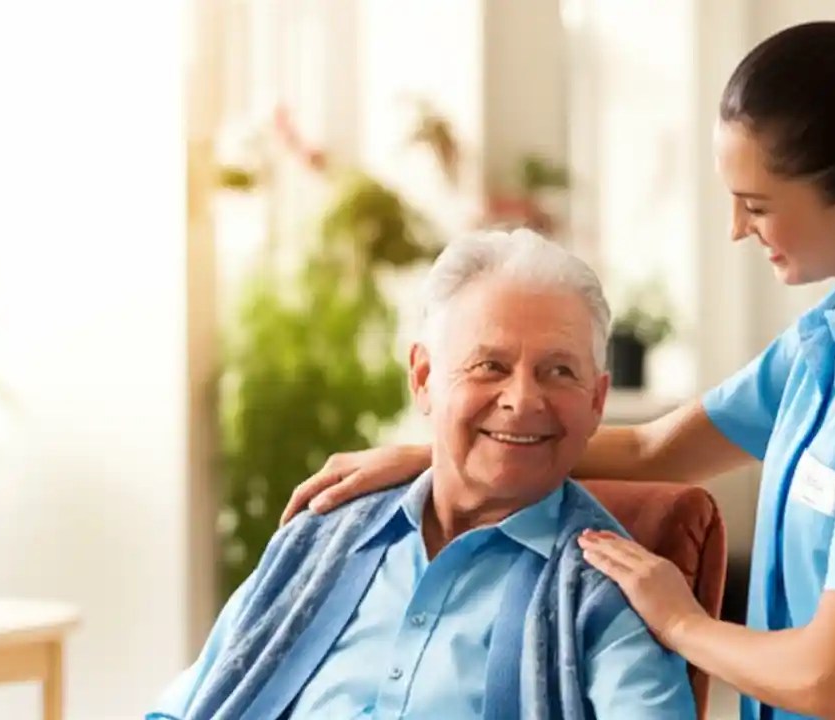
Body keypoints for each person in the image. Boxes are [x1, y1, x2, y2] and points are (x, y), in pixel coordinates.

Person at [280, 21, 835, 720]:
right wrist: (435, 456)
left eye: (757, 205)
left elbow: (831, 679)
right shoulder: (830, 340)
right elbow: (656, 448)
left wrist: (681, 619)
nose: (736, 229)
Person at [150, 229, 696, 720]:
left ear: (597, 401)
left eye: (559, 371)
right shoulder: (321, 535)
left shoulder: (610, 594)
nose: (523, 400)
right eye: (490, 366)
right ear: (424, 377)